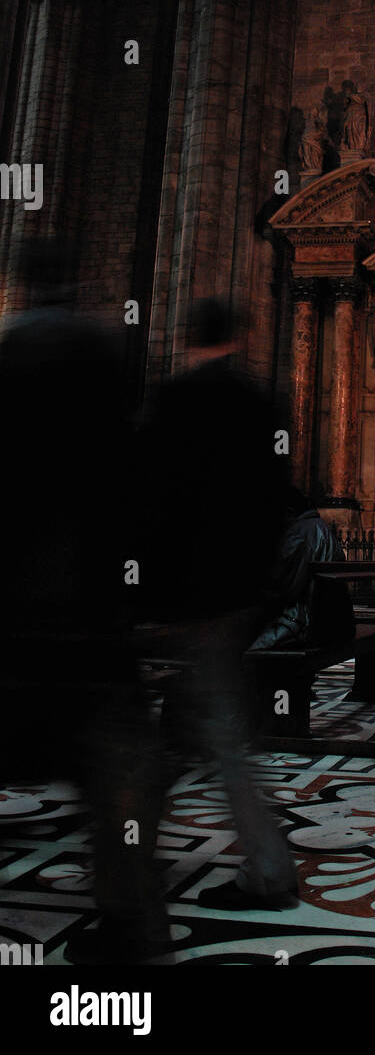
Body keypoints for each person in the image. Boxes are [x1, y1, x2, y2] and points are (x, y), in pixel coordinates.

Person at [0, 237, 167, 963]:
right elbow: (130, 475)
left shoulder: (9, 355)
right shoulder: (102, 355)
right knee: (114, 774)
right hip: (93, 604)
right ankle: (131, 923)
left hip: (17, 600)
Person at [139, 298, 298, 911]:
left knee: (206, 734)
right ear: (239, 336)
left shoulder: (179, 399)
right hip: (235, 595)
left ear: (189, 337)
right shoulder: (259, 404)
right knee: (198, 730)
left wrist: (147, 588)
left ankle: (265, 868)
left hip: (189, 598)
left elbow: (153, 501)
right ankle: (141, 853)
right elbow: (273, 499)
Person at [249, 491, 353, 650]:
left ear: (289, 511)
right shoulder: (321, 528)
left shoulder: (298, 533)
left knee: (241, 642)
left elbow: (283, 589)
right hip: (337, 621)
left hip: (305, 623)